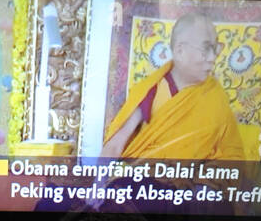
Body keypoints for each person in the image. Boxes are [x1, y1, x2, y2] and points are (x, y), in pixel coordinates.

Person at [100, 10, 246, 161]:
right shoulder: (151, 90)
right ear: (180, 50)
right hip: (150, 179)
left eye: (215, 49)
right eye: (206, 48)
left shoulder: (215, 94)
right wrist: (100, 182)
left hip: (196, 181)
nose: (212, 58)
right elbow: (115, 145)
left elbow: (232, 153)